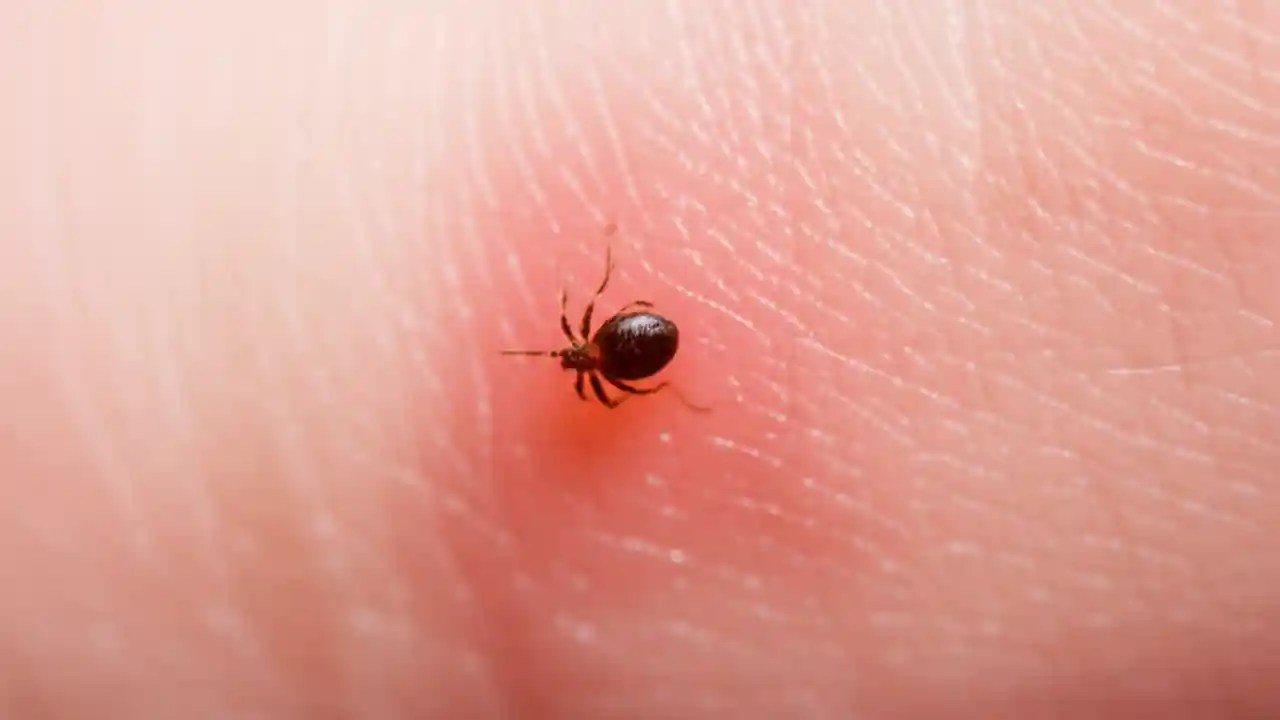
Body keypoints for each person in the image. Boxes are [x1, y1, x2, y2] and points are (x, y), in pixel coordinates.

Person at [2, 2, 1276, 717]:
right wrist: (630, 366)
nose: (576, 353)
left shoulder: (600, 348)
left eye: (574, 350)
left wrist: (627, 358)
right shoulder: (607, 358)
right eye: (584, 355)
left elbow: (620, 335)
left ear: (582, 352)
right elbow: (627, 343)